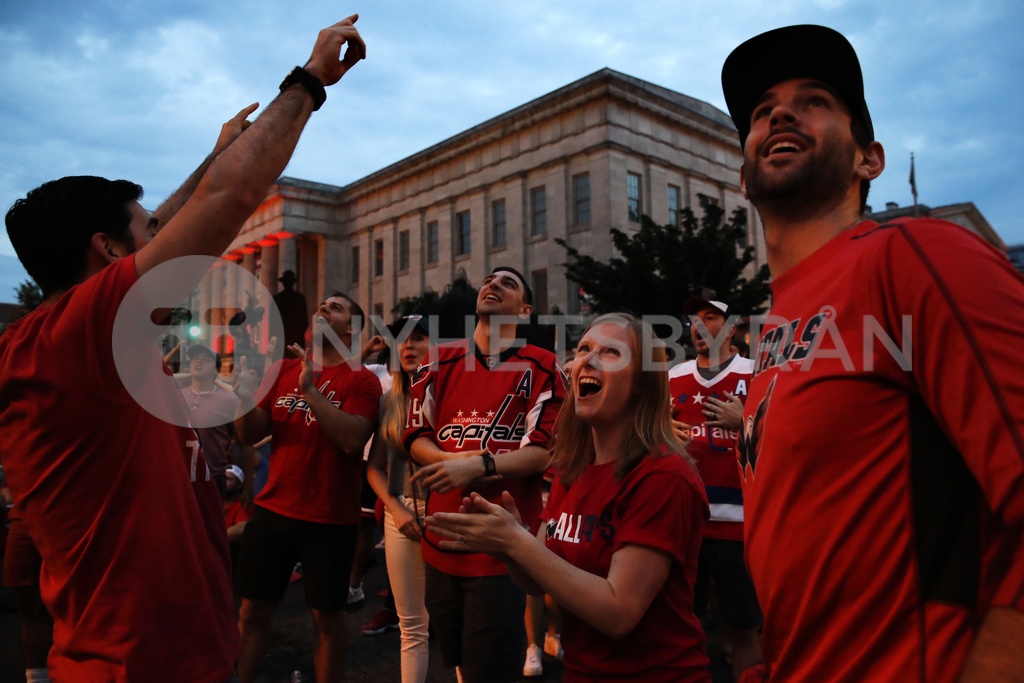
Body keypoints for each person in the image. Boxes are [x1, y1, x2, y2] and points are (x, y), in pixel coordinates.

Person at [0, 15, 366, 680]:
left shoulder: (75, 334)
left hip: (179, 651)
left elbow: (177, 210)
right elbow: (229, 199)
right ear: (105, 251)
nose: (160, 240)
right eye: (146, 234)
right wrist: (309, 81)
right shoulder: (79, 332)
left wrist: (212, 154)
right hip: (138, 664)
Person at [721, 24, 1024, 682]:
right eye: (761, 108)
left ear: (870, 160)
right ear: (743, 177)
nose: (780, 110)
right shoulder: (777, 323)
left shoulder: (914, 254)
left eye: (817, 99)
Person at [428, 313, 712, 682]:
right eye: (583, 349)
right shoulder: (572, 468)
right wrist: (508, 546)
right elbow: (537, 581)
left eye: (611, 352)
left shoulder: (664, 475)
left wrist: (518, 544)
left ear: (642, 383)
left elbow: (618, 613)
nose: (588, 360)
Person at [404, 266, 567, 683]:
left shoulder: (544, 365)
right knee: (459, 661)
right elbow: (413, 434)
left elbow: (542, 453)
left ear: (525, 309)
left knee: (490, 670)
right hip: (440, 540)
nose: (492, 285)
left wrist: (480, 464)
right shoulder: (439, 358)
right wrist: (451, 465)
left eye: (508, 283)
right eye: (490, 280)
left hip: (501, 554)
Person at [233, 291, 382, 683]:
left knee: (327, 619)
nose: (322, 309)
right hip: (273, 512)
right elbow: (250, 434)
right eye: (322, 304)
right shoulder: (282, 369)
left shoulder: (361, 380)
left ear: (351, 329)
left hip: (330, 520)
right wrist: (243, 395)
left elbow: (352, 439)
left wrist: (311, 392)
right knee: (252, 612)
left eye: (335, 307)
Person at [669, 297, 761, 679]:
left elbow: (788, 435)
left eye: (711, 317)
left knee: (744, 628)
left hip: (739, 524)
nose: (699, 324)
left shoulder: (754, 373)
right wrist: (662, 433)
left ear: (732, 329)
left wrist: (745, 418)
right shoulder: (674, 375)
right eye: (695, 318)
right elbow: (650, 435)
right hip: (686, 523)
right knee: (683, 629)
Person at [363, 315, 433, 682]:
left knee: (458, 622)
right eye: (402, 339)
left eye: (418, 338)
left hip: (448, 514)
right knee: (412, 627)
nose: (408, 345)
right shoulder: (390, 399)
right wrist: (395, 509)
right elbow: (374, 468)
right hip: (400, 513)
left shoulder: (453, 394)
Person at [181, 343, 239, 496]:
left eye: (206, 359)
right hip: (179, 474)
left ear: (216, 370)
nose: (198, 361)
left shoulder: (229, 400)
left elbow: (244, 443)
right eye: (195, 358)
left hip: (212, 475)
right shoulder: (177, 395)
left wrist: (248, 489)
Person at [274, 269, 309, 351]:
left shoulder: (277, 299)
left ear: (283, 283)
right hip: (296, 340)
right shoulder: (300, 298)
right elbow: (304, 321)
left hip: (281, 340)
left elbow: (273, 323)